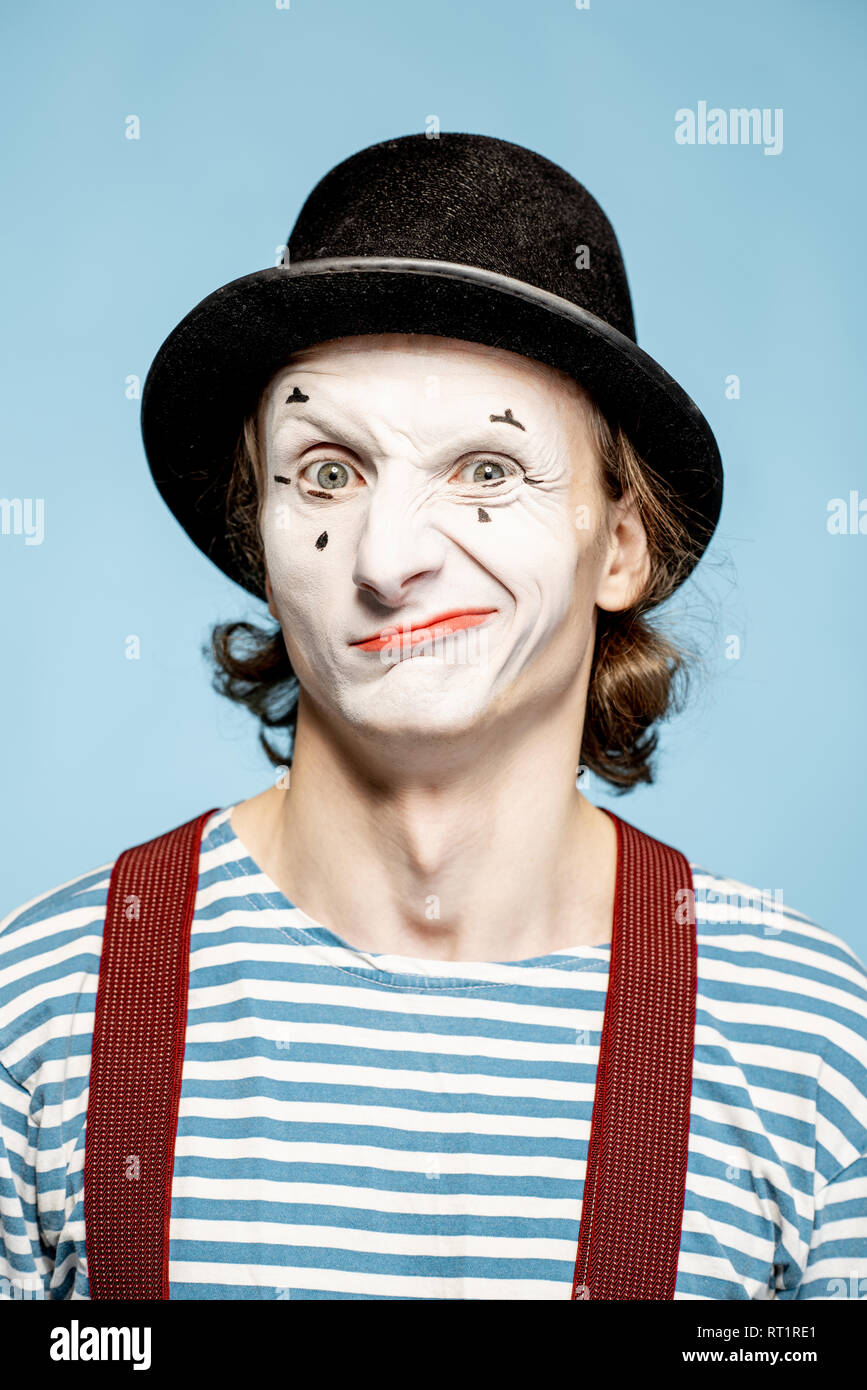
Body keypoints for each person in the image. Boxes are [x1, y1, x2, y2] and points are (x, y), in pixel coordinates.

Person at [1, 133, 865, 1302]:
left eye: (490, 472)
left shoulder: (808, 1046)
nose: (392, 558)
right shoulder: (43, 1015)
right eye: (328, 473)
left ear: (619, 543)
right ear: (259, 537)